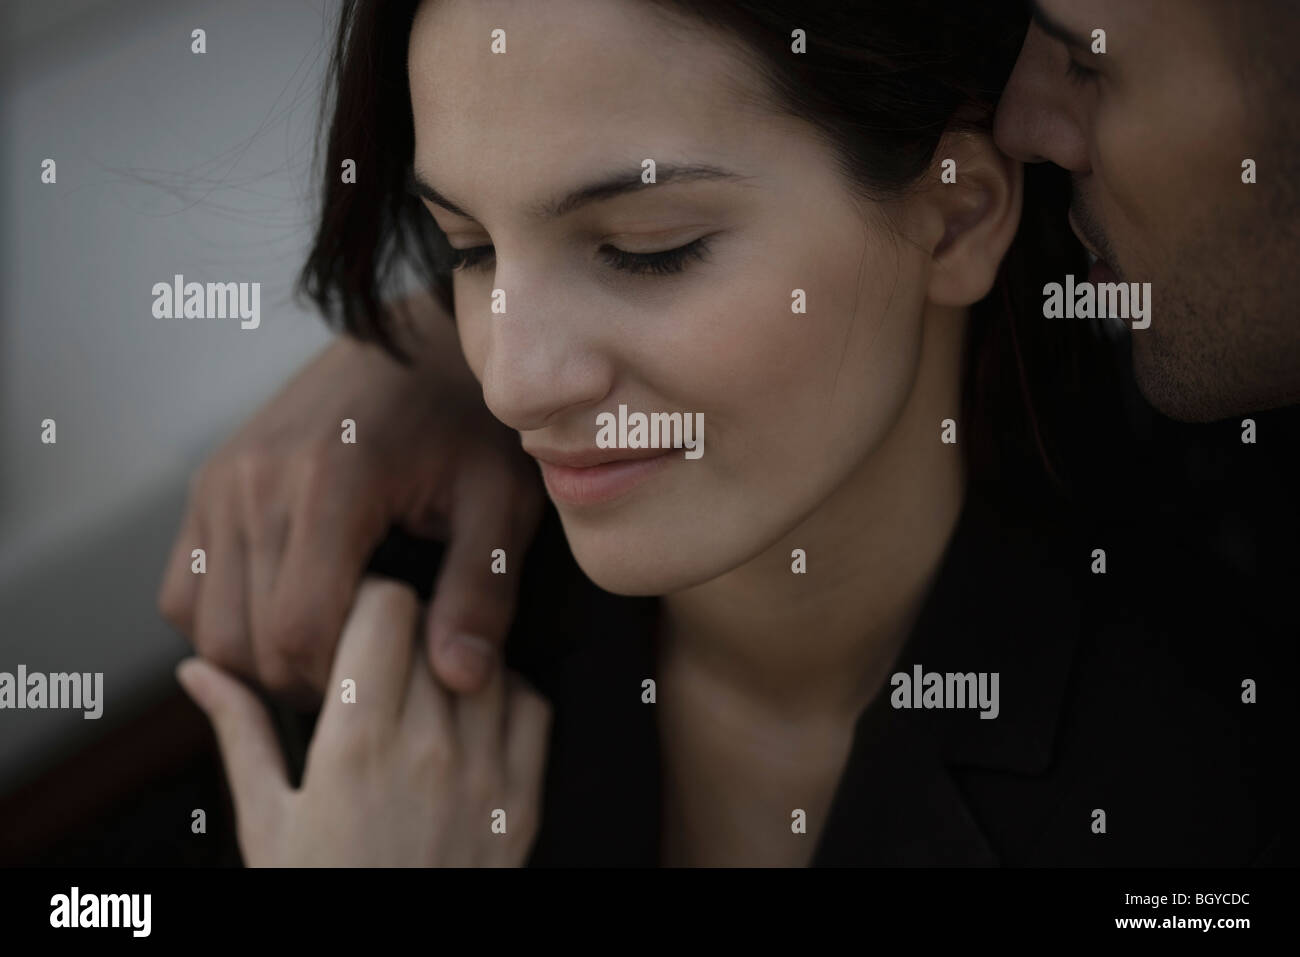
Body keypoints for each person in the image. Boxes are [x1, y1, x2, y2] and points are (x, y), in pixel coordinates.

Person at [163, 0, 1288, 865]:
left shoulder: (1202, 785)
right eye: (469, 249)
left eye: (648, 248)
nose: (511, 381)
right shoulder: (361, 665)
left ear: (958, 214)